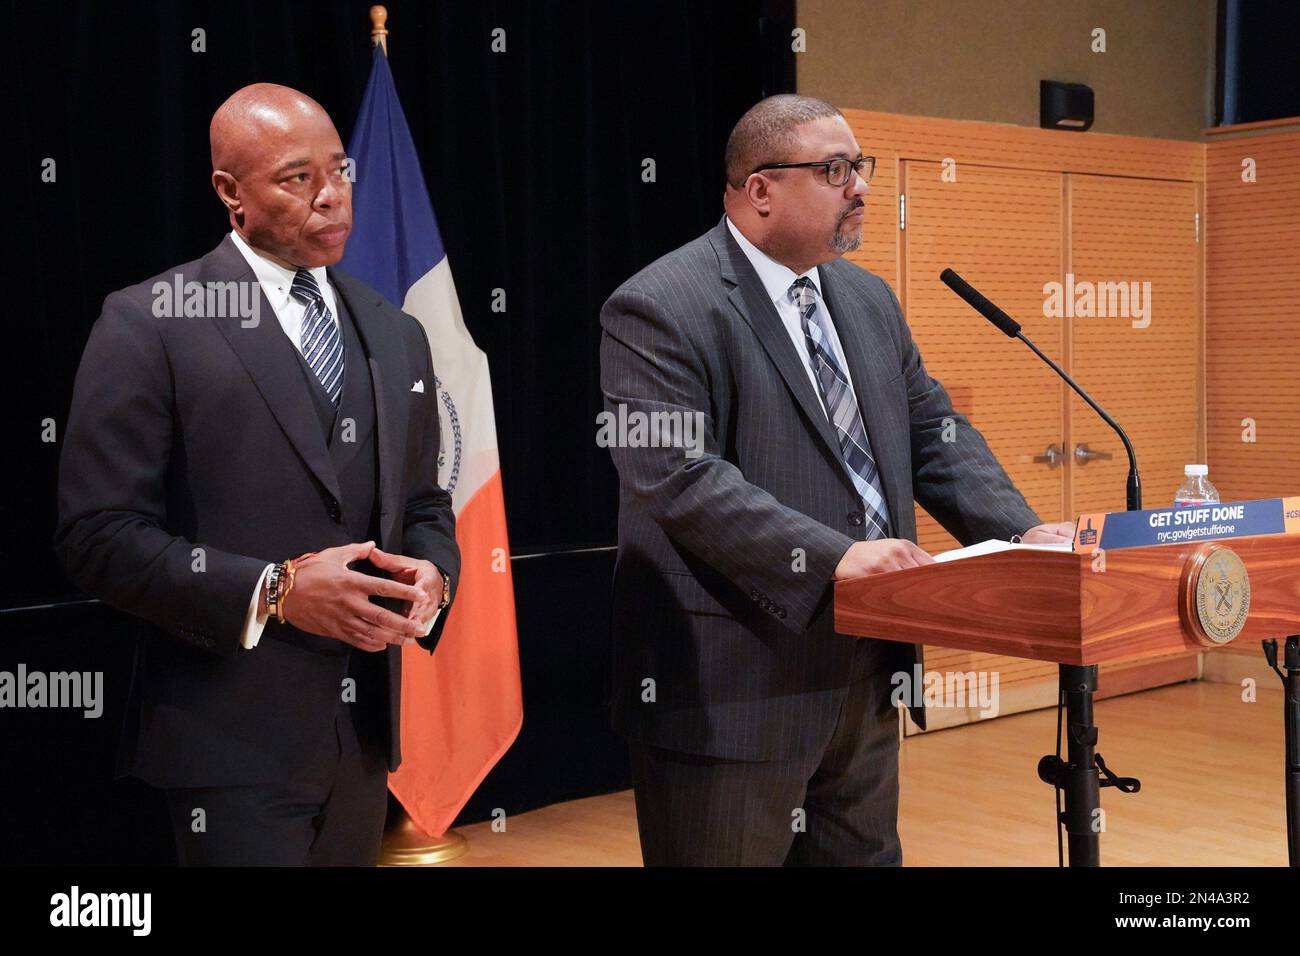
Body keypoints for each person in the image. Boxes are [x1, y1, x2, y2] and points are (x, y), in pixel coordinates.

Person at [599, 94, 1074, 866]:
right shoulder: (660, 303)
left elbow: (933, 434)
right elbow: (675, 475)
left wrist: (1017, 532)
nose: (860, 187)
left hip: (867, 666)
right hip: (736, 684)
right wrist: (830, 558)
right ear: (760, 189)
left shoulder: (865, 298)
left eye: (861, 167)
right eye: (835, 170)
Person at [53, 83, 460, 866]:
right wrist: (274, 590)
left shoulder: (395, 330)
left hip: (365, 739)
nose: (333, 196)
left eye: (340, 171)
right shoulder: (148, 322)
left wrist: (435, 577)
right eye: (297, 178)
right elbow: (97, 537)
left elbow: (423, 502)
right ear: (229, 192)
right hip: (225, 743)